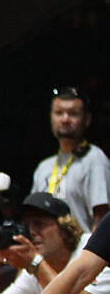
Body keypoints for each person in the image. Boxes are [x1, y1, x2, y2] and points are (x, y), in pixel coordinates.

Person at [30, 87, 110, 233]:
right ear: (51, 117)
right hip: (49, 254)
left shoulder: (94, 159)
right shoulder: (44, 167)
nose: (65, 119)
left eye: (73, 114)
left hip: (83, 252)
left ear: (87, 120)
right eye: (59, 113)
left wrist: (90, 256)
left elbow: (102, 219)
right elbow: (34, 218)